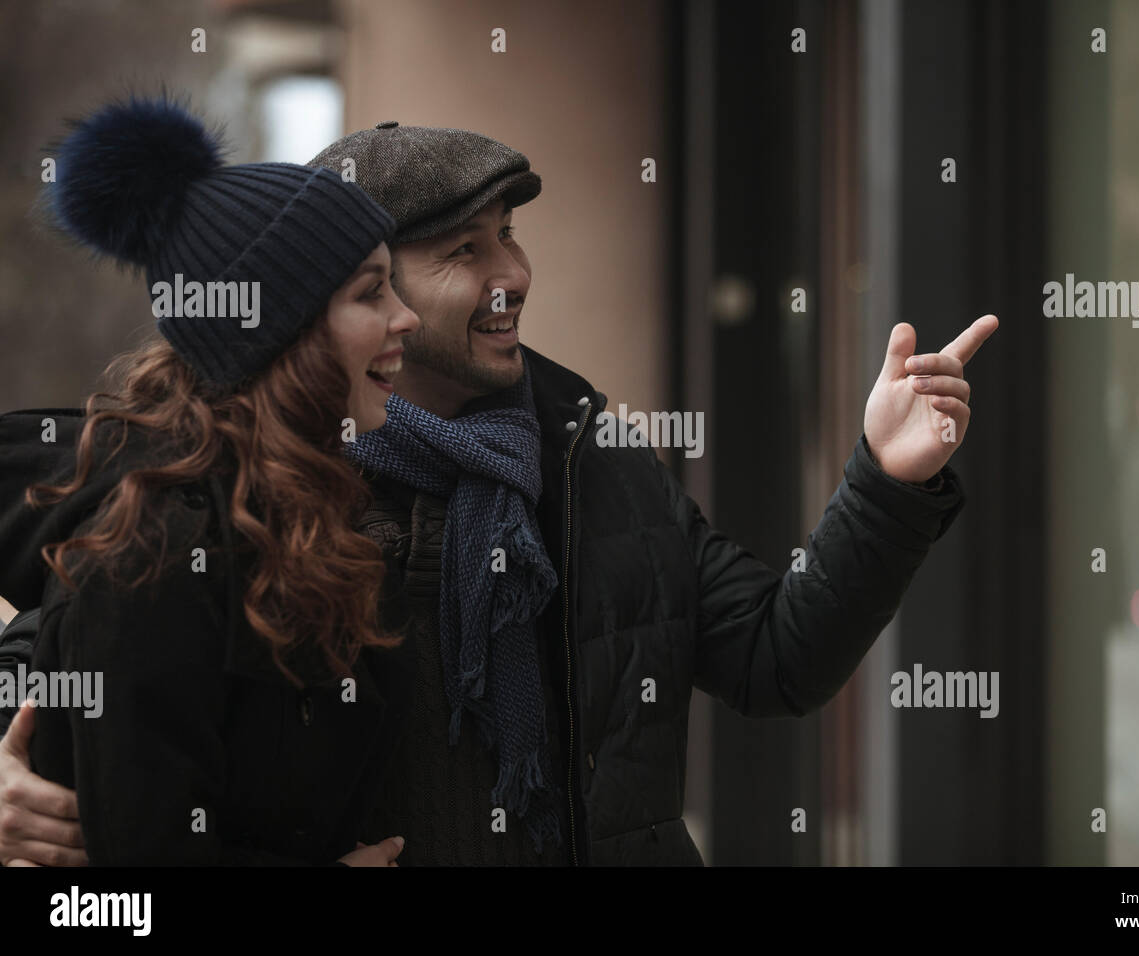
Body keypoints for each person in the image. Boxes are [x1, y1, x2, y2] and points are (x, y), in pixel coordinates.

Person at [0, 119, 996, 866]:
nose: (512, 270)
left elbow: (778, 654)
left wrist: (884, 480)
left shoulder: (591, 462)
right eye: (461, 250)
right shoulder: (258, 494)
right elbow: (76, 651)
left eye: (508, 234)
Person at [0, 97, 420, 865]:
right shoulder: (156, 551)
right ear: (280, 333)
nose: (407, 318)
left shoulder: (302, 507)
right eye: (370, 292)